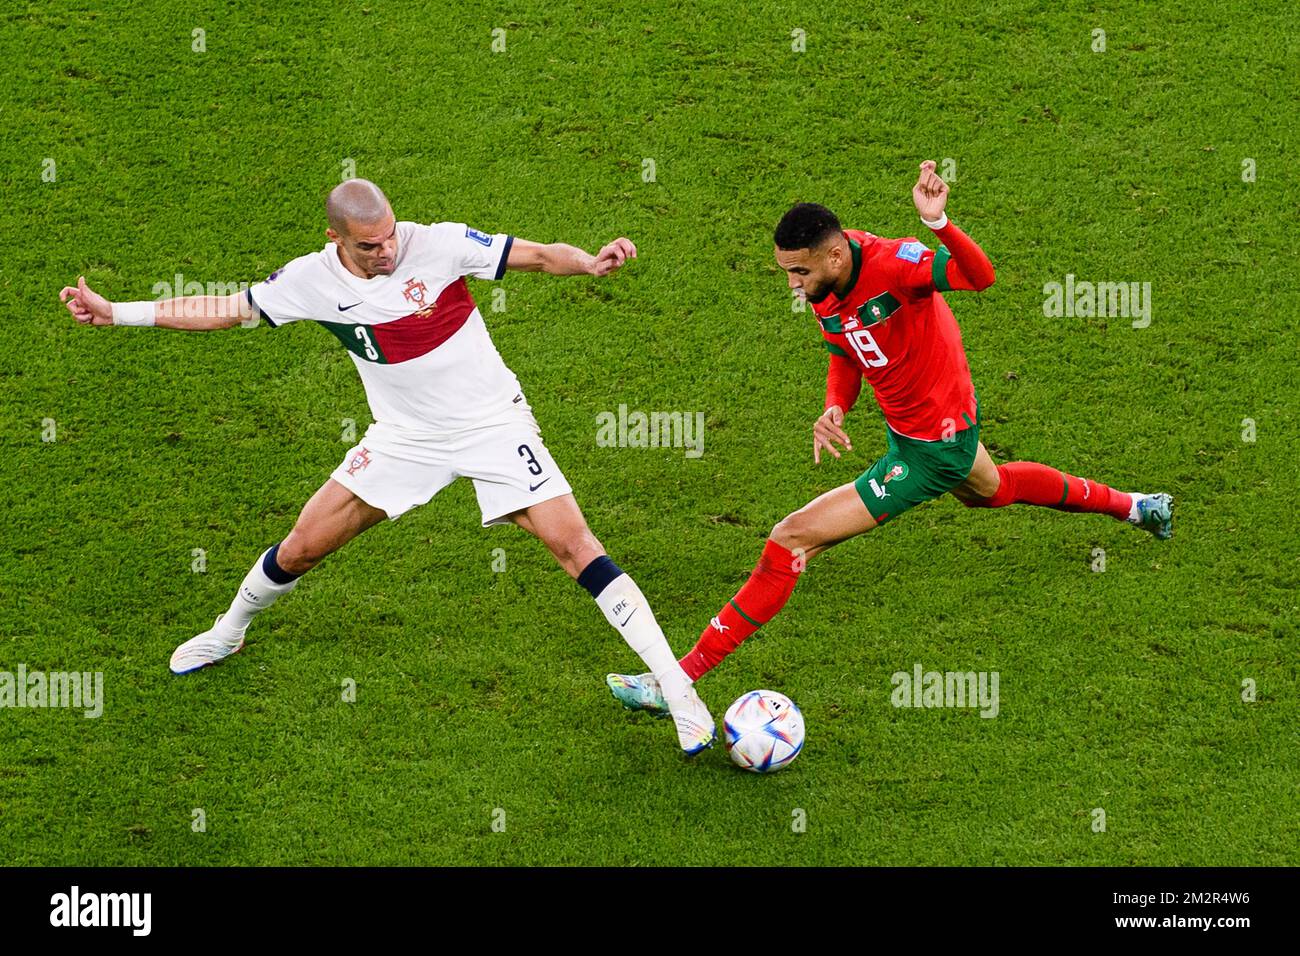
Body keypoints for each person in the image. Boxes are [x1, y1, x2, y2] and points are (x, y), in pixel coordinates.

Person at [59, 179, 715, 754]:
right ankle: (227, 633)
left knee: (576, 546)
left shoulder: (440, 243)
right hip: (404, 439)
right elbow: (226, 310)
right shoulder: (309, 281)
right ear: (337, 239)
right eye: (370, 246)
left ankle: (681, 693)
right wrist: (121, 314)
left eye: (390, 236)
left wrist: (589, 262)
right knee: (301, 547)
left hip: (493, 425)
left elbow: (538, 256)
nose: (389, 252)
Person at [606, 161, 1172, 714]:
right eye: (785, 271)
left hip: (932, 449)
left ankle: (674, 685)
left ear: (832, 255)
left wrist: (938, 224)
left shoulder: (896, 265)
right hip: (916, 433)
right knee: (991, 489)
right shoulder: (826, 281)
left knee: (789, 541)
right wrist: (835, 407)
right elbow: (843, 349)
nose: (792, 285)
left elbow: (981, 278)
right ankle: (1137, 508)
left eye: (798, 272)